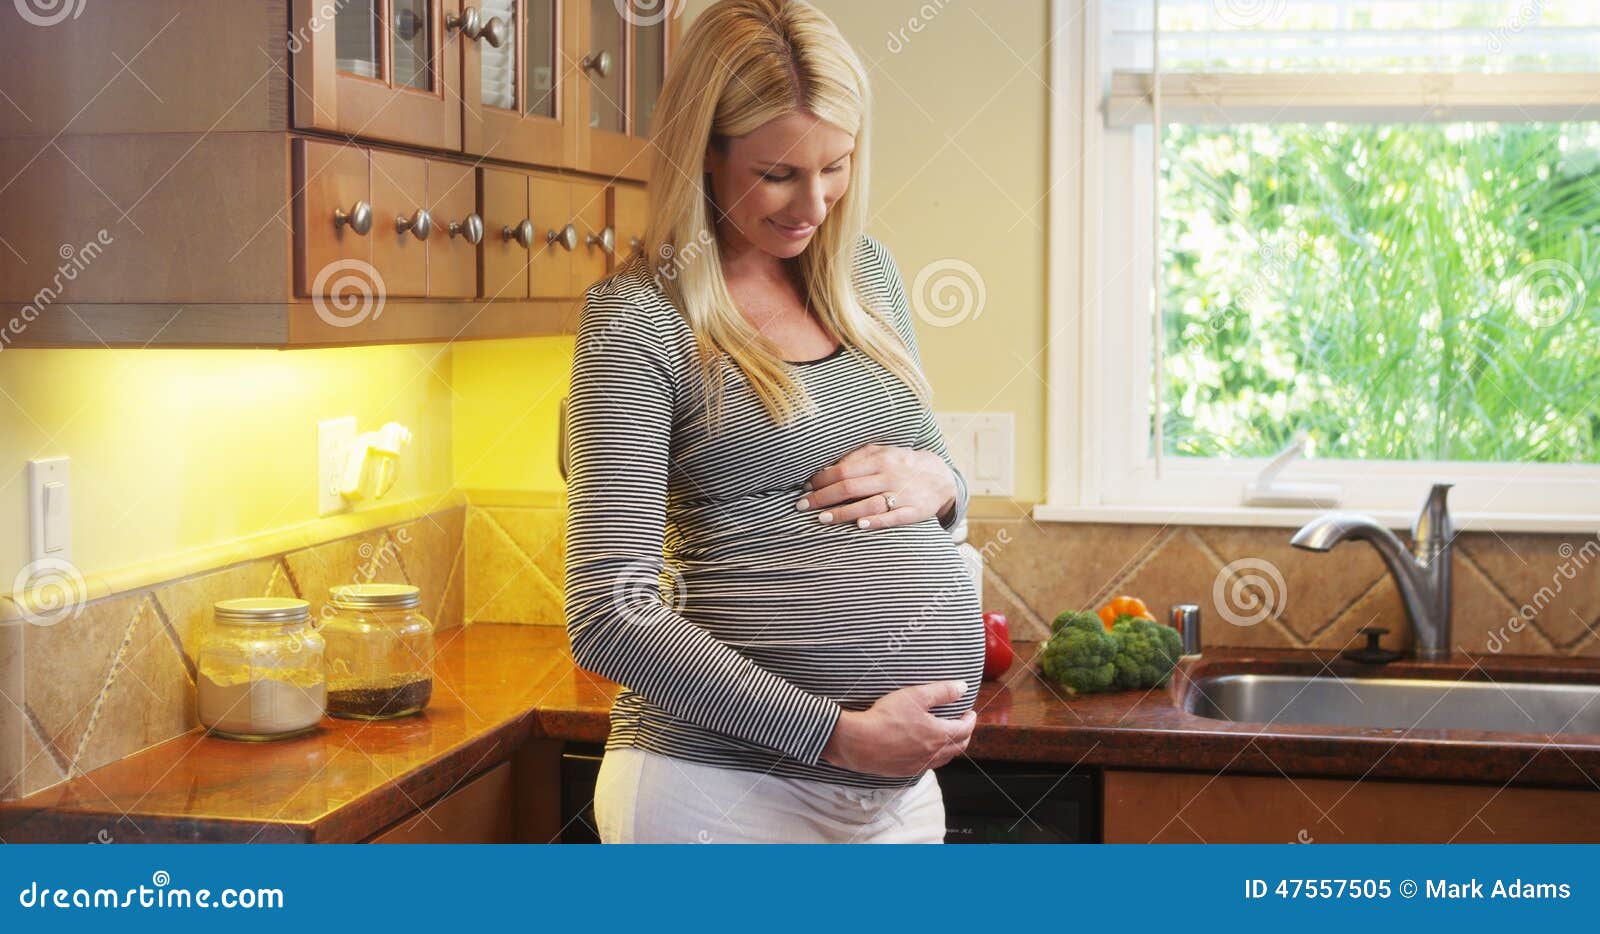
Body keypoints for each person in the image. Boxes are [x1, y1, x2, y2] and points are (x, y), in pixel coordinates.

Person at [563, 0, 983, 844]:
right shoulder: (637, 320)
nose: (815, 203)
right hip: (721, 797)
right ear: (704, 152)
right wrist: (837, 736)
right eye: (780, 173)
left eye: (837, 166)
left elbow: (931, 481)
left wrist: (947, 484)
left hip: (894, 803)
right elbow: (607, 613)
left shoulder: (866, 275)